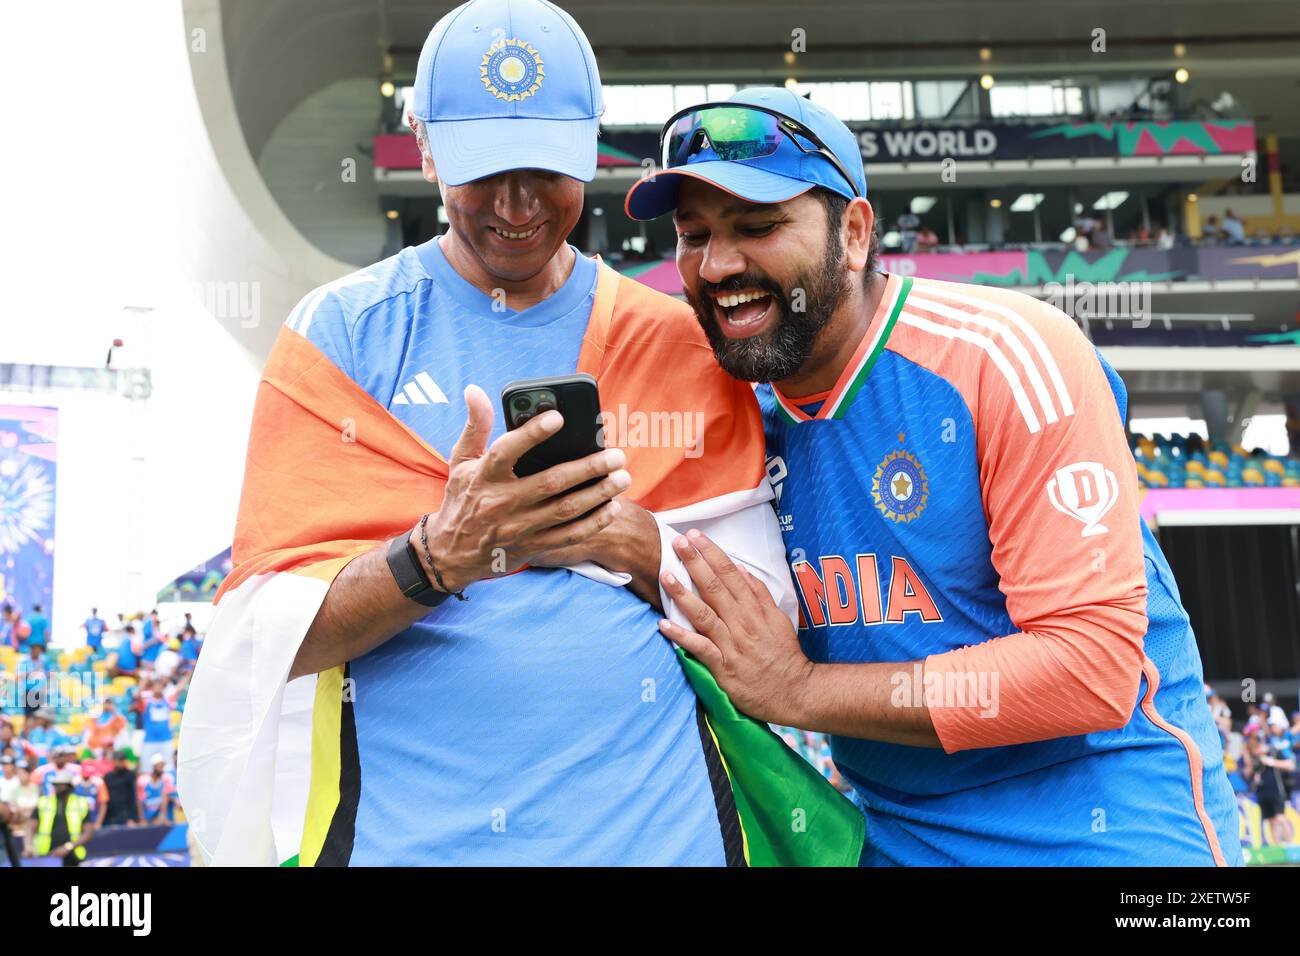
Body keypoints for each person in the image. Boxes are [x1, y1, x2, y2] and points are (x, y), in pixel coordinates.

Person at [180, 0, 805, 868]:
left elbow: (771, 619)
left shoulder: (678, 342)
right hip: (411, 844)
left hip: (664, 840)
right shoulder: (343, 336)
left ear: (589, 148)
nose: (517, 206)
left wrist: (634, 542)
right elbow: (266, 643)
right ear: (424, 144)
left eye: (545, 168)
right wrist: (442, 555)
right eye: (483, 169)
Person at [625, 86, 1243, 866]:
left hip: (1109, 834)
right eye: (692, 235)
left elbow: (1090, 670)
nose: (717, 265)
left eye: (758, 226)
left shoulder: (1009, 354)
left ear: (853, 234)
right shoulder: (725, 416)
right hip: (889, 837)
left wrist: (798, 691)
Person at [25, 770, 94, 866]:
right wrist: (28, 846)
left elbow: (88, 833)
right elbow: (30, 826)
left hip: (73, 856)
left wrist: (68, 847)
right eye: (55, 785)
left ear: (69, 786)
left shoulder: (81, 803)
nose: (57, 787)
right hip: (47, 855)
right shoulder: (44, 802)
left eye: (61, 785)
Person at [100, 750, 141, 827]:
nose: (121, 763)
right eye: (119, 760)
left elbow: (133, 797)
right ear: (114, 761)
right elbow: (105, 799)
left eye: (123, 760)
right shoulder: (108, 777)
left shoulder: (130, 775)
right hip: (110, 817)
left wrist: (132, 818)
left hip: (125, 815)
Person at [138, 755, 175, 825]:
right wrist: (142, 819)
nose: (162, 769)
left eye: (163, 766)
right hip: (148, 821)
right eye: (160, 766)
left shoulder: (166, 779)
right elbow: (140, 802)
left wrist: (162, 818)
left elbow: (170, 798)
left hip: (162, 822)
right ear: (154, 766)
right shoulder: (144, 781)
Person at [15, 643, 47, 723]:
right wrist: (31, 673)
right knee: (28, 716)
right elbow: (18, 676)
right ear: (31, 649)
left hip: (39, 691)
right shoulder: (24, 661)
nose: (37, 651)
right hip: (28, 692)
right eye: (35, 649)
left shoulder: (42, 661)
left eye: (39, 649)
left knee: (39, 716)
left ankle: (36, 733)